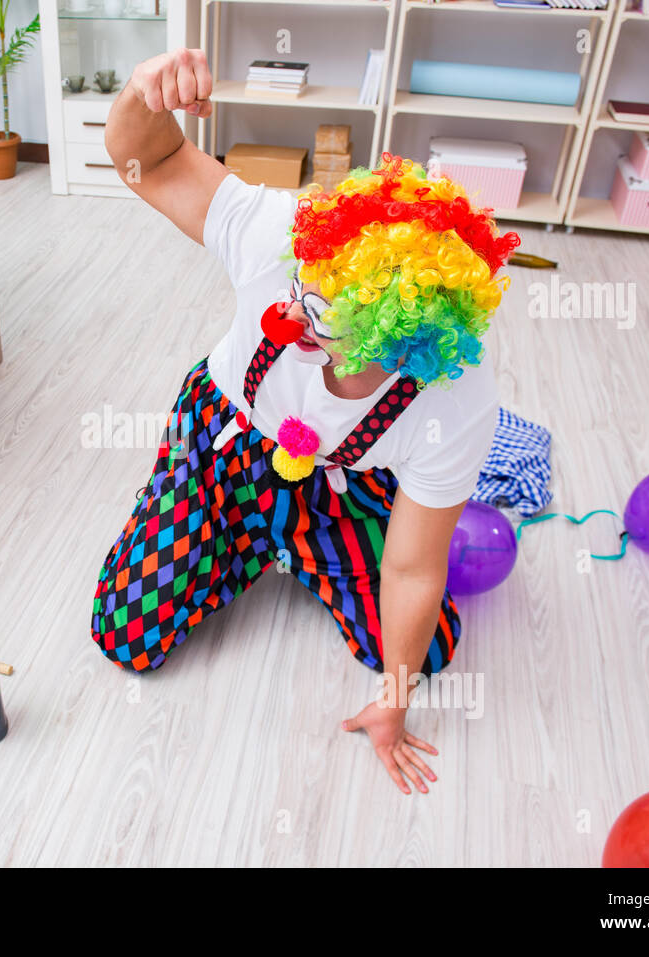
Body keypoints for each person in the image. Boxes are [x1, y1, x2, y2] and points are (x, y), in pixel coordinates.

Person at [90, 48, 519, 794]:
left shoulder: (454, 400)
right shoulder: (278, 236)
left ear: (397, 342)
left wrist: (394, 699)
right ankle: (247, 543)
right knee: (124, 631)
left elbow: (413, 568)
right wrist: (142, 90)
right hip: (224, 445)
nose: (289, 311)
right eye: (301, 284)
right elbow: (146, 161)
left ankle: (285, 547)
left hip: (340, 481)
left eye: (320, 314)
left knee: (430, 649)